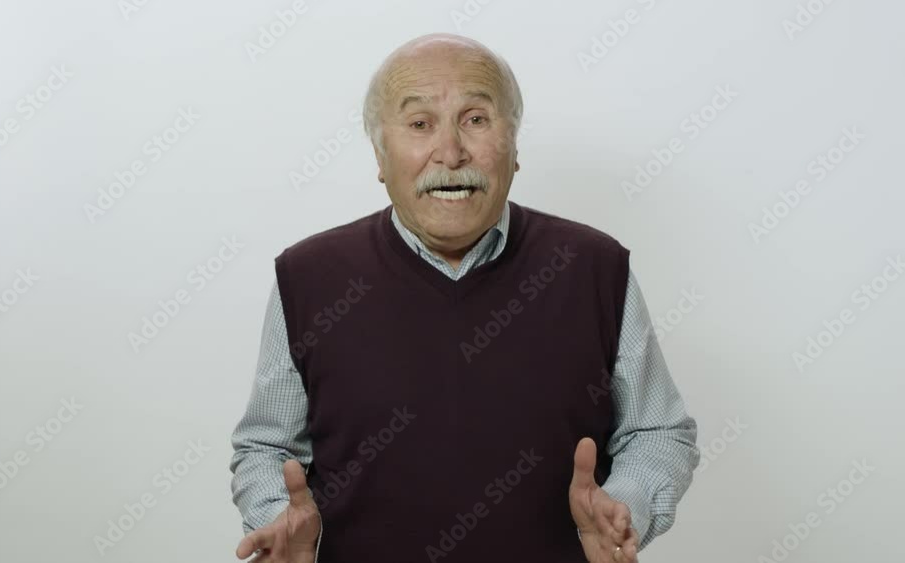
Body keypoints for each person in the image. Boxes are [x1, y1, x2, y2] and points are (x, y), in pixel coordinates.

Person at [229, 33, 699, 563]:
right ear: (380, 155)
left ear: (515, 147)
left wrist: (623, 506)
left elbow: (657, 431)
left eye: (476, 119)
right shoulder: (308, 277)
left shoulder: (595, 267)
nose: (450, 154)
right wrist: (278, 516)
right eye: (419, 124)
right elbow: (266, 447)